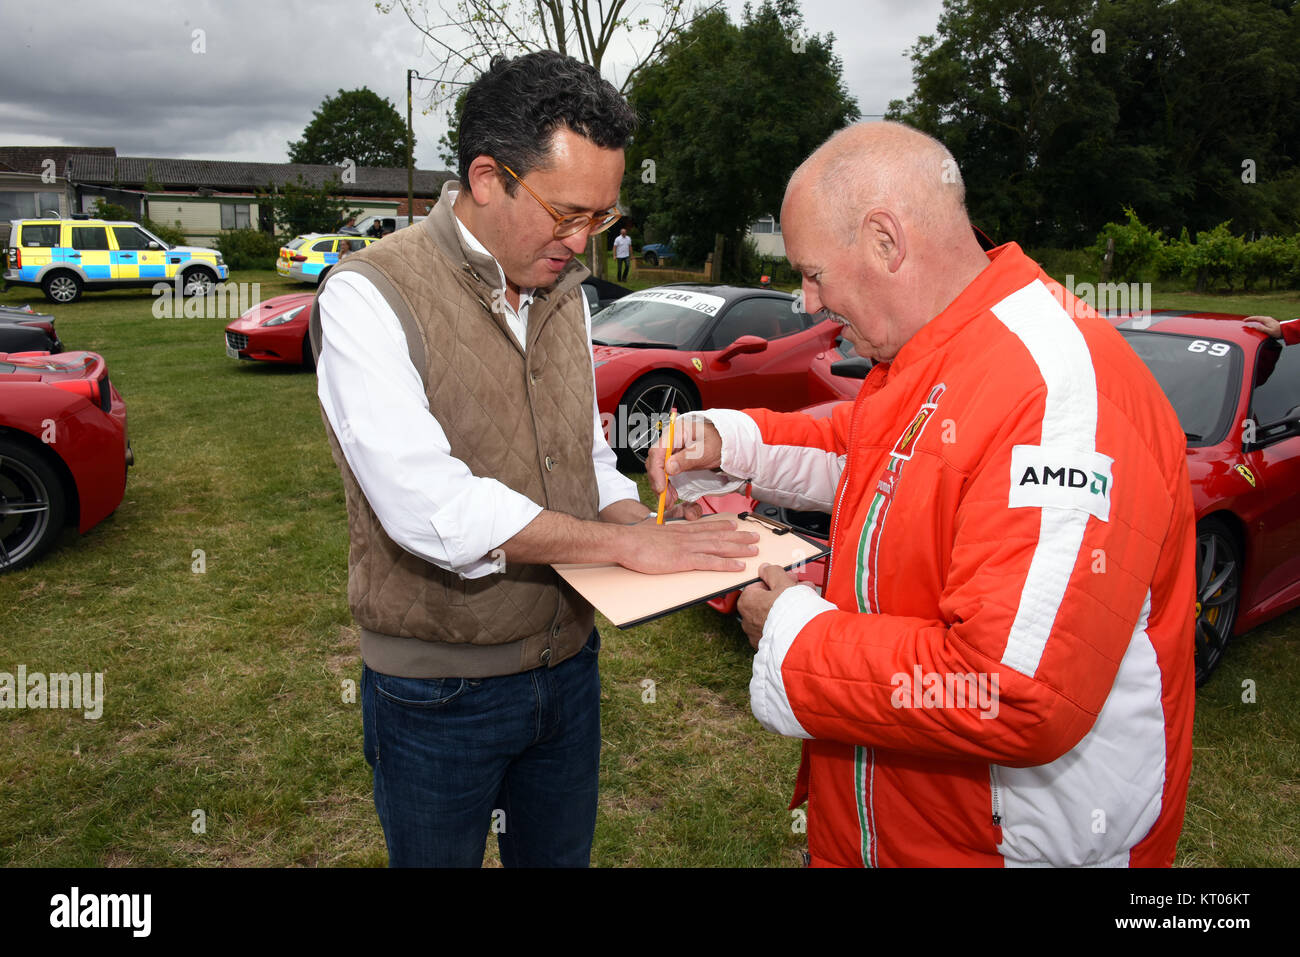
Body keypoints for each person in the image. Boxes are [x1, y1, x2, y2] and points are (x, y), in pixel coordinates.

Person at [650, 121, 1197, 867]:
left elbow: (1011, 687)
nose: (807, 303)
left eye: (813, 273)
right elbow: (874, 454)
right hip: (891, 829)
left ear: (885, 240)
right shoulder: (933, 347)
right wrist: (729, 439)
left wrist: (795, 635)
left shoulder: (1058, 394)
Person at [310, 51, 758, 868]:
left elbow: (583, 455)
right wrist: (625, 544)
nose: (583, 240)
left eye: (603, 217)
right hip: (434, 692)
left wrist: (646, 519)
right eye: (567, 213)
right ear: (488, 178)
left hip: (568, 670)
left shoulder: (564, 294)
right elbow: (430, 508)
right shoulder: (367, 294)